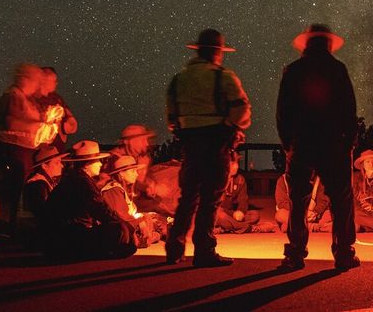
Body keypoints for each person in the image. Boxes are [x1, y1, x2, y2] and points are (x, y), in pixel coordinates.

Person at [164, 28, 253, 268]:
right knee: (211, 199)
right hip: (216, 143)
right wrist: (229, 125)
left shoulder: (179, 79)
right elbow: (243, 111)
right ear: (218, 52)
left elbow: (171, 117)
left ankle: (174, 247)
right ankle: (204, 249)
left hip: (190, 144)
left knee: (188, 198)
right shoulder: (223, 76)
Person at [276, 24, 359, 271]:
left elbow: (283, 113)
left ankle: (295, 254)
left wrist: (288, 144)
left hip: (302, 143)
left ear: (307, 44)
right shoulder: (337, 69)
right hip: (333, 143)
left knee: (298, 200)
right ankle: (344, 253)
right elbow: (349, 111)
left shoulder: (292, 70)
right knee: (341, 200)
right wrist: (348, 144)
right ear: (328, 44)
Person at [41, 140, 137, 260]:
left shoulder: (76, 178)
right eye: (97, 161)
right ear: (87, 164)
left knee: (119, 229)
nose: (101, 164)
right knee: (119, 229)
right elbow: (100, 210)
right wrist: (126, 225)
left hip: (60, 235)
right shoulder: (82, 181)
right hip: (67, 236)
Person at [0, 63, 56, 236]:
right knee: (14, 189)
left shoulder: (23, 97)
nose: (38, 85)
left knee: (19, 189)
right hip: (16, 151)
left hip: (23, 150)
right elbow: (11, 123)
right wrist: (40, 126)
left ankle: (14, 227)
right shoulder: (13, 95)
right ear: (27, 79)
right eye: (37, 80)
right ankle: (7, 230)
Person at [101, 155, 166, 247]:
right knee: (151, 223)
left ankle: (156, 234)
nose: (136, 174)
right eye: (133, 171)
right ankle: (154, 236)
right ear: (121, 174)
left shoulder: (120, 189)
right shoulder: (113, 190)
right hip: (118, 232)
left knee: (155, 218)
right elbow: (122, 217)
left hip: (127, 227)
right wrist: (142, 220)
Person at [215, 152, 275, 233]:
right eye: (232, 163)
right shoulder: (216, 179)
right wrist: (232, 214)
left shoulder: (240, 179)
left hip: (231, 214)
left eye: (237, 163)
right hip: (220, 213)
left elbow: (243, 200)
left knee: (254, 215)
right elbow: (214, 205)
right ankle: (252, 228)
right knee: (219, 215)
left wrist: (241, 211)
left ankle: (225, 228)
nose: (236, 166)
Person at [22, 145, 67, 236]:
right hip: (36, 233)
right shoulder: (38, 184)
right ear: (44, 166)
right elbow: (44, 214)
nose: (62, 166)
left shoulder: (45, 181)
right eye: (57, 163)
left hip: (38, 230)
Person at [109, 124, 156, 196]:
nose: (146, 144)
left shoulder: (143, 158)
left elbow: (143, 179)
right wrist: (142, 186)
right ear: (126, 141)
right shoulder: (113, 160)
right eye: (142, 140)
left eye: (146, 140)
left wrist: (149, 182)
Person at [38, 67, 78, 150]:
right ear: (44, 80)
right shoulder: (34, 98)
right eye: (54, 80)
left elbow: (70, 118)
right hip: (43, 147)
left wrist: (65, 126)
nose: (56, 83)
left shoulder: (57, 98)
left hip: (58, 145)